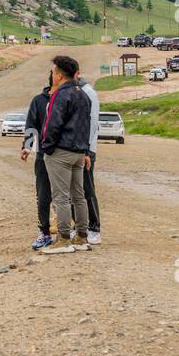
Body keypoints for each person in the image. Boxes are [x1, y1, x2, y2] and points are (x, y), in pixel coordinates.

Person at [40, 55, 92, 247]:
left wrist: (47, 147)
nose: (52, 75)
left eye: (53, 72)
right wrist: (85, 150)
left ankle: (63, 238)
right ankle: (82, 236)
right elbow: (87, 125)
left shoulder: (60, 95)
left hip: (61, 152)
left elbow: (52, 124)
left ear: (60, 76)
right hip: (79, 151)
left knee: (61, 196)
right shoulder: (84, 95)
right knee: (79, 196)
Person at [20, 73, 55, 250]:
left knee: (68, 195)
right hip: (43, 155)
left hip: (65, 154)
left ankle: (70, 230)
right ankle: (44, 232)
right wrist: (26, 146)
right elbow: (31, 125)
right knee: (43, 195)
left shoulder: (70, 97)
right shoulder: (38, 101)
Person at [76, 71, 103, 246]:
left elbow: (92, 124)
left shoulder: (88, 93)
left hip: (86, 149)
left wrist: (86, 150)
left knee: (87, 188)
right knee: (73, 190)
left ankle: (94, 228)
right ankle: (77, 226)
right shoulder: (76, 92)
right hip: (74, 148)